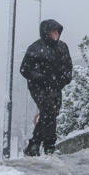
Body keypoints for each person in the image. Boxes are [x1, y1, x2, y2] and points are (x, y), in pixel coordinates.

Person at [20, 19, 73, 155]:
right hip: (38, 87)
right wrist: (41, 78)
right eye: (53, 32)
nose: (56, 35)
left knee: (51, 114)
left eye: (57, 32)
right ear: (46, 33)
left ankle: (33, 145)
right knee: (48, 110)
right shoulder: (35, 48)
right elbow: (24, 69)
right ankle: (49, 146)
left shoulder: (62, 47)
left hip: (55, 86)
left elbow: (68, 67)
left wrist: (63, 80)